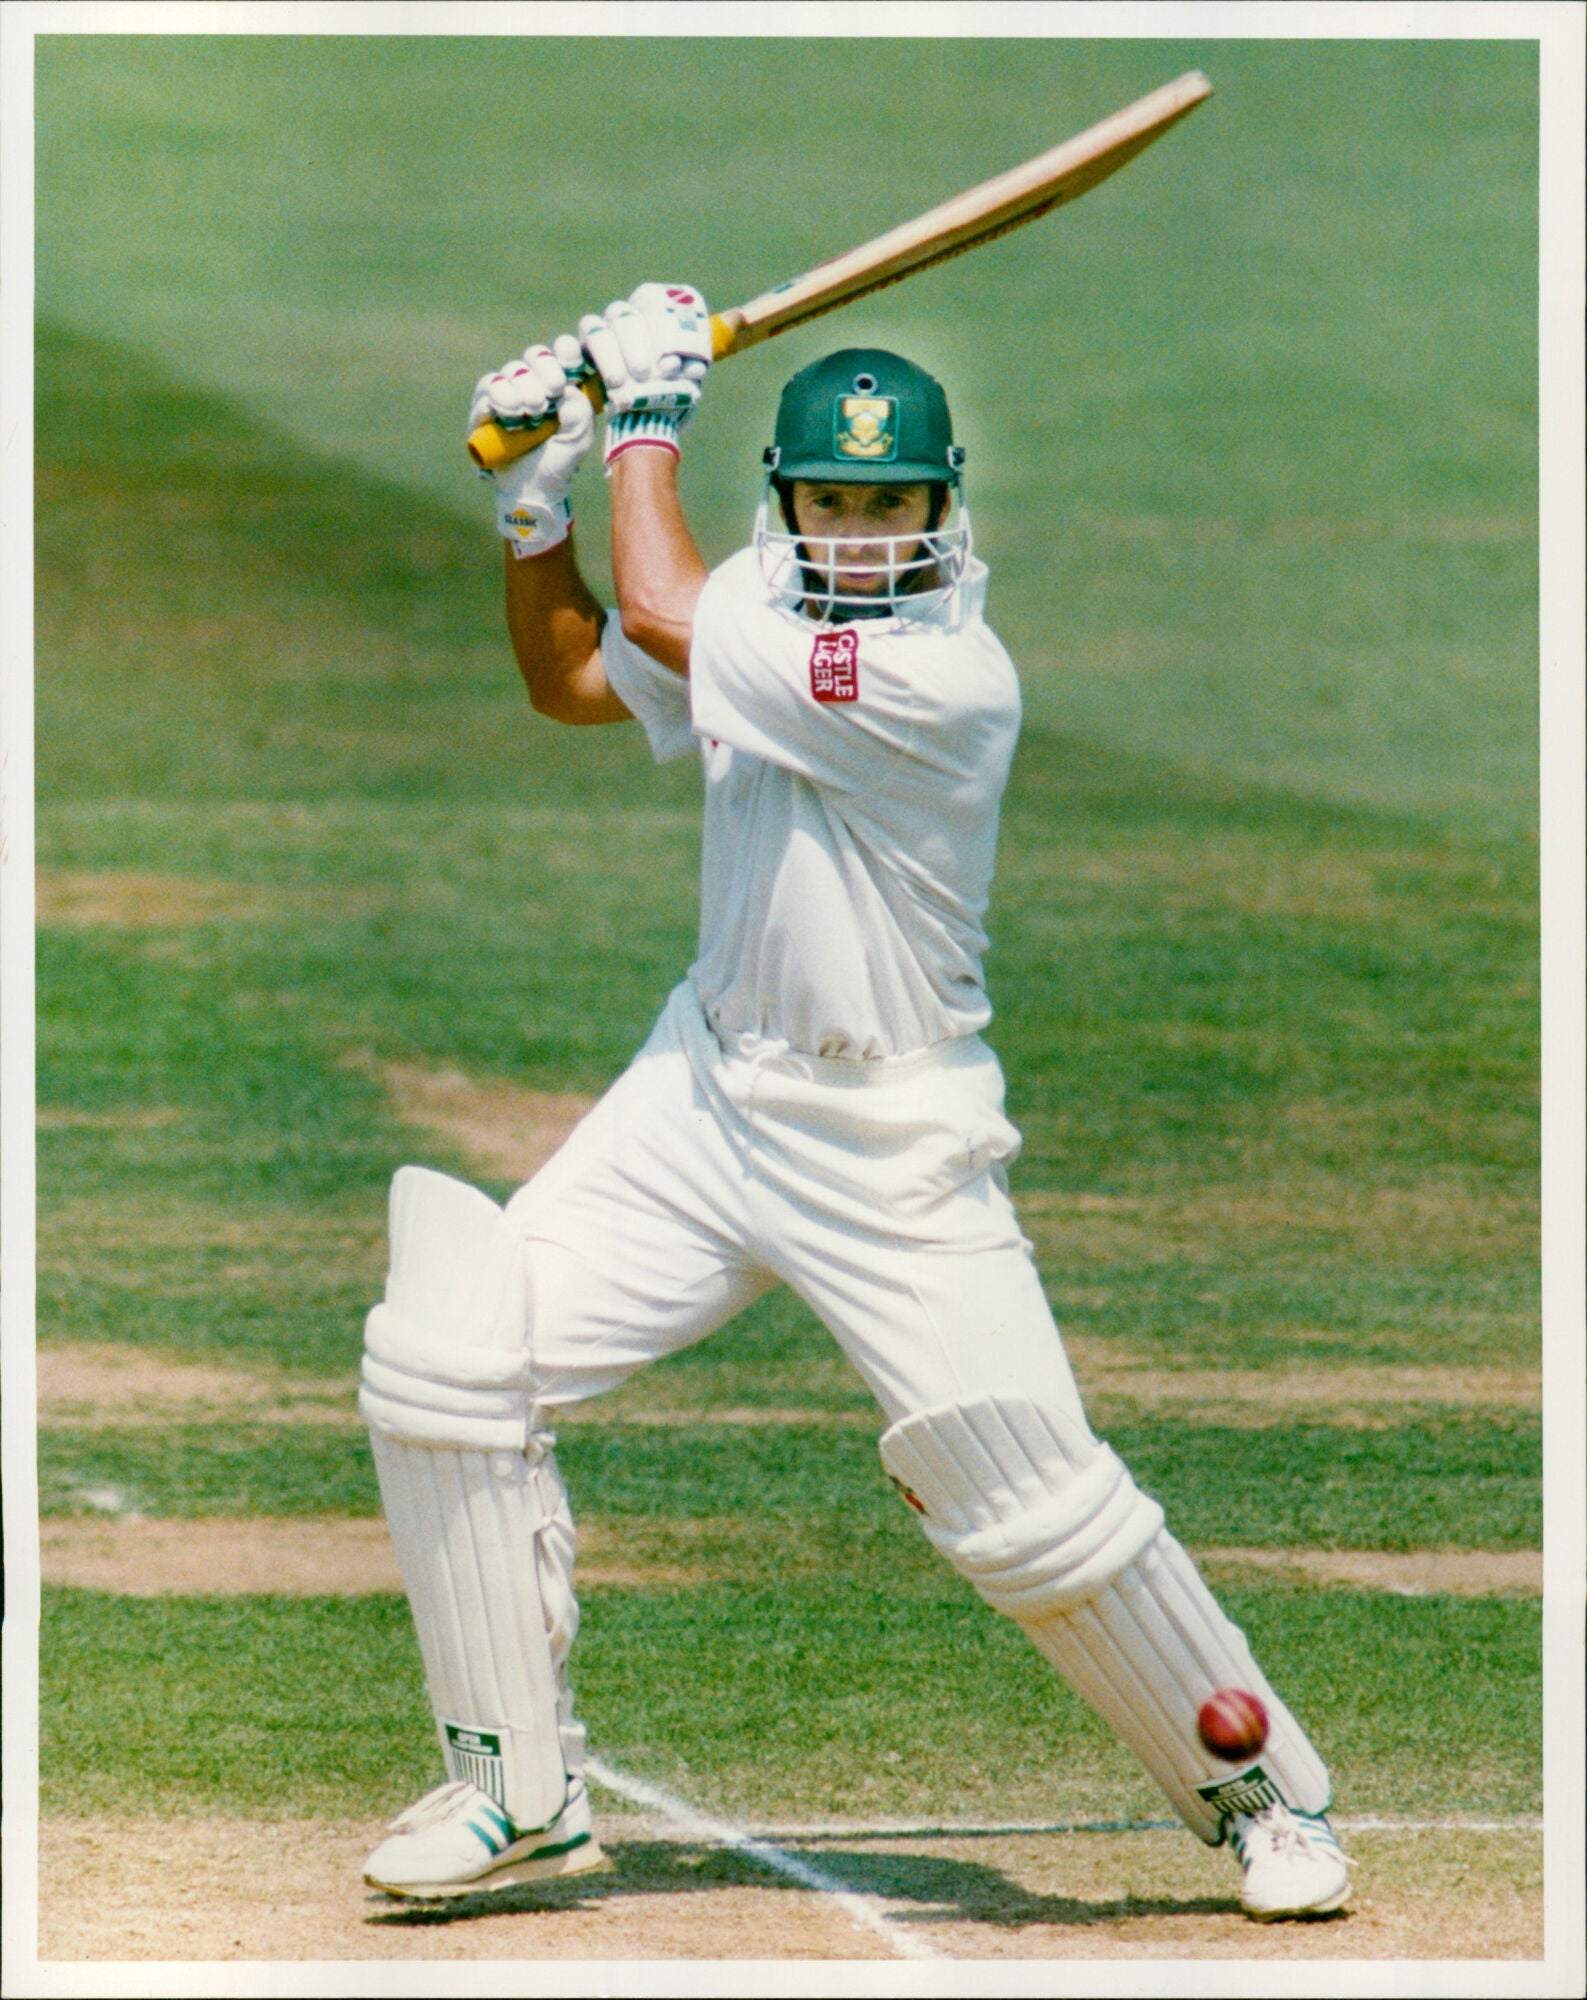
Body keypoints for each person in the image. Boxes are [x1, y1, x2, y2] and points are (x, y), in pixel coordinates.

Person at [357, 283, 1353, 1922]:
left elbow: (663, 606)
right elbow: (578, 677)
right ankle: (513, 1792)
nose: (867, 533)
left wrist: (644, 412)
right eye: (837, 499)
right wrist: (537, 506)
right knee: (451, 1354)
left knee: (1026, 1496)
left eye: (895, 504)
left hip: (893, 1139)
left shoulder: (948, 680)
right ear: (792, 502)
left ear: (944, 509)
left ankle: (1262, 1799)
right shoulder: (747, 603)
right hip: (700, 1099)